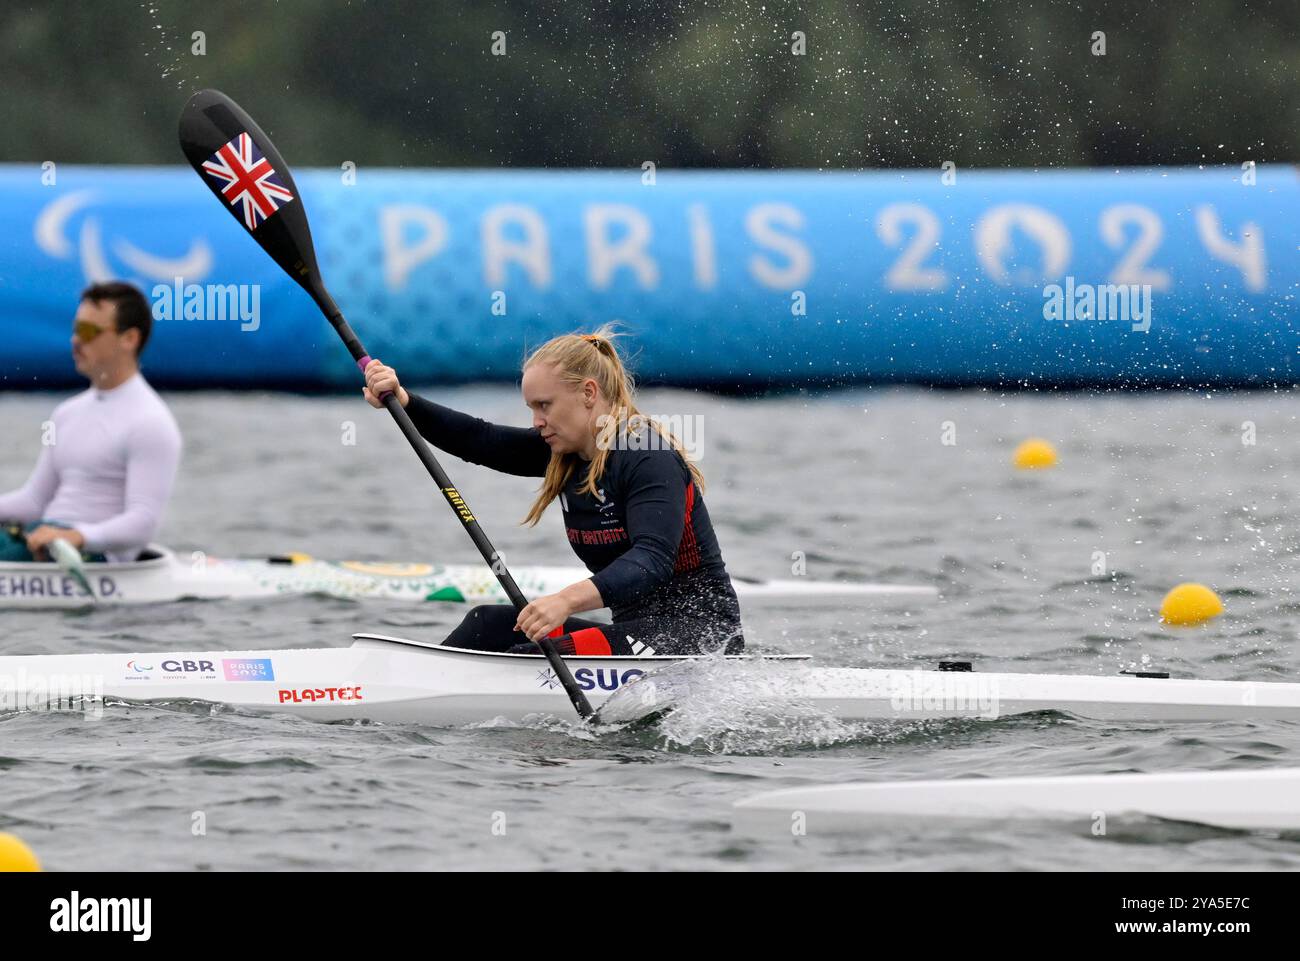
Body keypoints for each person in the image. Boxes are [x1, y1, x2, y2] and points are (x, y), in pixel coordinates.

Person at [362, 326, 743, 656]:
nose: (537, 421)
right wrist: (404, 400)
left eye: (544, 405)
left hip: (700, 640)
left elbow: (651, 560)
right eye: (531, 408)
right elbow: (481, 440)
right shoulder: (566, 452)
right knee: (489, 624)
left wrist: (565, 601)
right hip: (634, 633)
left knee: (528, 656)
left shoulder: (646, 455)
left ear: (589, 394)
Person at [0, 282, 182, 564]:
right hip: (45, 541)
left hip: (93, 556)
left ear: (129, 339)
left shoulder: (151, 422)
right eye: (75, 329)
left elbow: (143, 522)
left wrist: (78, 536)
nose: (76, 340)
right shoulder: (66, 413)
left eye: (89, 332)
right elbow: (34, 501)